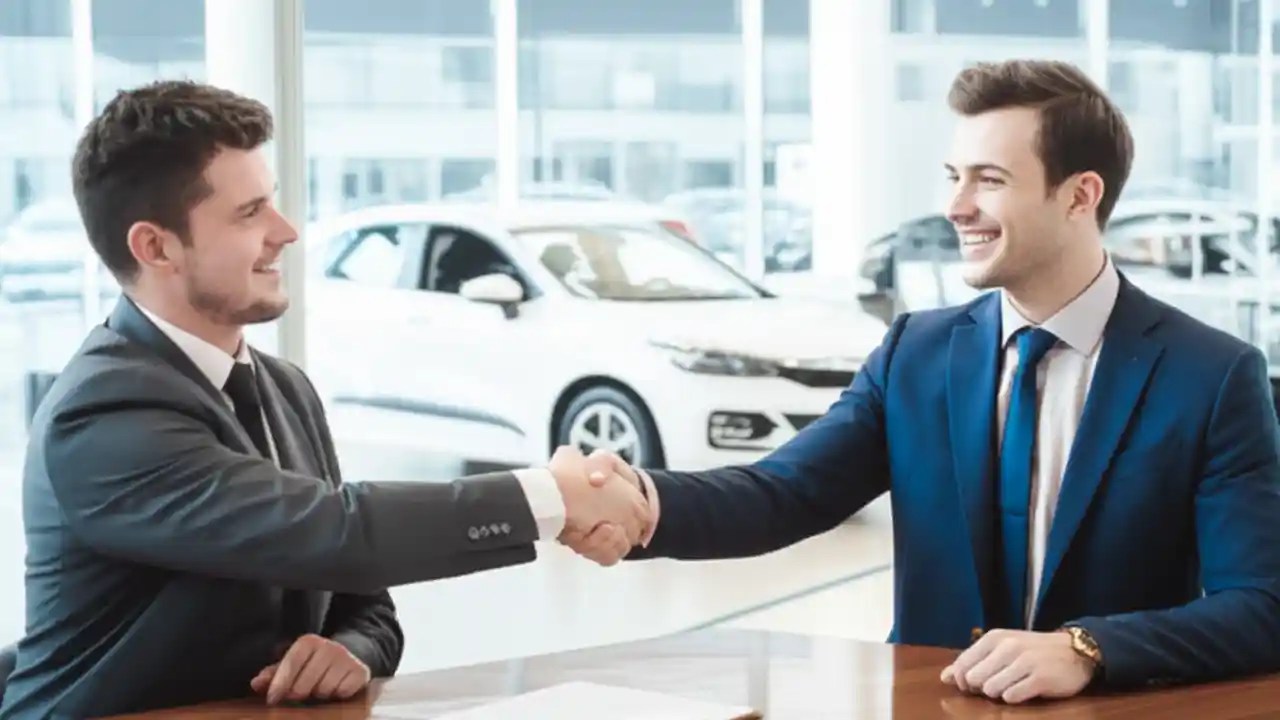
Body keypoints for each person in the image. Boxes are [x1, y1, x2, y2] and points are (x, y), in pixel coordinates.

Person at [565, 59, 1280, 704]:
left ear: (1079, 195)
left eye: (989, 180)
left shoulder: (1212, 377)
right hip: (932, 705)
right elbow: (783, 494)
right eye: (953, 176)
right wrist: (642, 503)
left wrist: (1086, 649)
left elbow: (1261, 606)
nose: (956, 206)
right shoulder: (917, 352)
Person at [0, 80, 651, 719]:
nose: (286, 231)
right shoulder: (103, 413)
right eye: (250, 213)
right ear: (156, 246)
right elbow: (337, 532)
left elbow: (365, 603)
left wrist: (352, 650)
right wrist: (550, 497)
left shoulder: (285, 388)